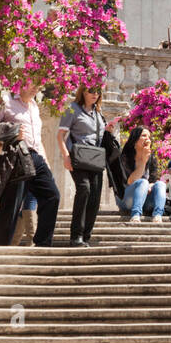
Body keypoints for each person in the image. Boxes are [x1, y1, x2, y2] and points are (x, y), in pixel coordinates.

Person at [0, 79, 60, 247]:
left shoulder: (34, 106)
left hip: (35, 156)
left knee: (52, 195)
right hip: (15, 155)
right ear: (21, 81)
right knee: (12, 202)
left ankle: (43, 243)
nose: (36, 88)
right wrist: (11, 134)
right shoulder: (6, 101)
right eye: (33, 83)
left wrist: (45, 161)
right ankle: (2, 246)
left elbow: (37, 139)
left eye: (38, 85)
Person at [57, 85, 116, 247]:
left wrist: (108, 131)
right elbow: (60, 136)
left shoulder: (98, 114)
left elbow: (98, 138)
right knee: (84, 189)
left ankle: (86, 236)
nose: (94, 94)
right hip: (77, 157)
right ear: (83, 91)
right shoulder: (72, 109)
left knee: (95, 198)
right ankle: (76, 236)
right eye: (91, 91)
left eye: (98, 91)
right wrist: (66, 157)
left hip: (95, 159)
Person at [118, 125, 167, 223]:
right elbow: (130, 181)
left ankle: (157, 215)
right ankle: (135, 215)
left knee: (161, 184)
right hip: (127, 199)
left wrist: (149, 185)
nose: (147, 139)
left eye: (149, 137)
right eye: (144, 136)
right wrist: (143, 161)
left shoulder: (152, 157)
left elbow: (154, 180)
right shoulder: (125, 157)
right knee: (143, 182)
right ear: (135, 140)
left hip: (145, 201)